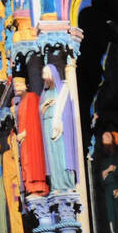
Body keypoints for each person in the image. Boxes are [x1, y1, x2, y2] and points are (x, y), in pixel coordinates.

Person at [39, 64, 78, 193]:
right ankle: (56, 185)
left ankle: (67, 183)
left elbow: (67, 110)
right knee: (52, 156)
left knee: (62, 155)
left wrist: (61, 123)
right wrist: (44, 107)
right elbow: (40, 112)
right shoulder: (44, 93)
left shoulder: (62, 90)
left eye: (46, 73)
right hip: (47, 124)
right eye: (43, 74)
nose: (43, 77)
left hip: (59, 126)